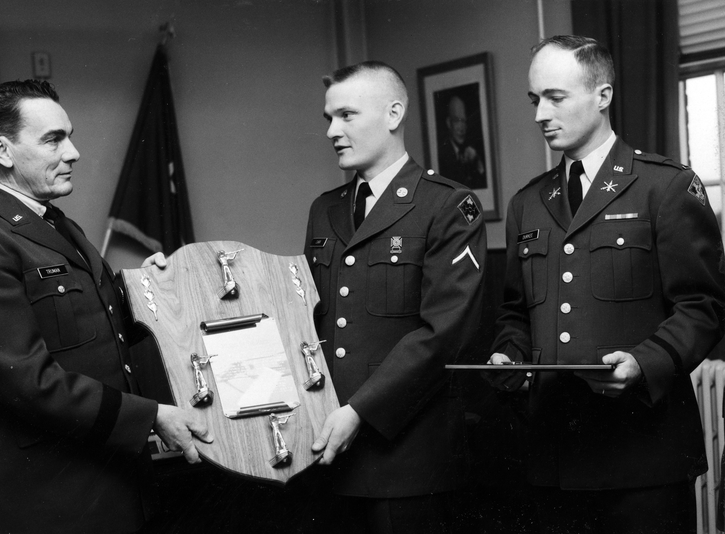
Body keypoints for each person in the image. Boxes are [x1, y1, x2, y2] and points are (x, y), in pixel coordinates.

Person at [0, 80, 212, 534]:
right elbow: (28, 381)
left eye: (69, 135)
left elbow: (103, 329)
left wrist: (157, 287)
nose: (74, 152)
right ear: (2, 150)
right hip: (53, 499)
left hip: (119, 484)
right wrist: (151, 416)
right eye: (53, 139)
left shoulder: (61, 228)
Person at [487, 35, 725, 533]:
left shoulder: (666, 185)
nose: (539, 115)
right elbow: (516, 311)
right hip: (557, 457)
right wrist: (509, 353)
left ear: (603, 95)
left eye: (555, 97)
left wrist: (644, 362)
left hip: (643, 455)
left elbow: (702, 306)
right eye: (534, 100)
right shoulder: (527, 204)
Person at [305, 61, 487, 533]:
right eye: (328, 118)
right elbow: (306, 315)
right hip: (330, 453)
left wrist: (359, 412)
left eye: (346, 115)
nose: (332, 130)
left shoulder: (447, 205)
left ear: (393, 114)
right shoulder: (325, 209)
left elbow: (443, 334)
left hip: (407, 460)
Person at [437, 94, 486, 189]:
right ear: (449, 123)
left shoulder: (472, 151)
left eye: (463, 121)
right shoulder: (443, 153)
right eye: (456, 120)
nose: (461, 127)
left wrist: (477, 161)